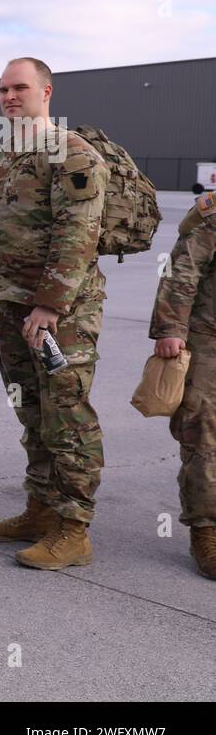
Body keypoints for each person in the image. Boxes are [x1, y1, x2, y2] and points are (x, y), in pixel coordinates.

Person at [0, 57, 109, 570]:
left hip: (62, 314)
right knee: (31, 410)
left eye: (20, 87)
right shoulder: (7, 155)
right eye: (3, 89)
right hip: (11, 306)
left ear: (46, 91)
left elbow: (78, 233)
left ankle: (74, 530)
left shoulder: (74, 155)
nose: (10, 96)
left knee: (67, 415)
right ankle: (40, 509)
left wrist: (49, 304)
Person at [149, 191, 216, 579]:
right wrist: (172, 328)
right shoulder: (210, 215)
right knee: (202, 431)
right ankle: (206, 530)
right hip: (208, 338)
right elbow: (183, 269)